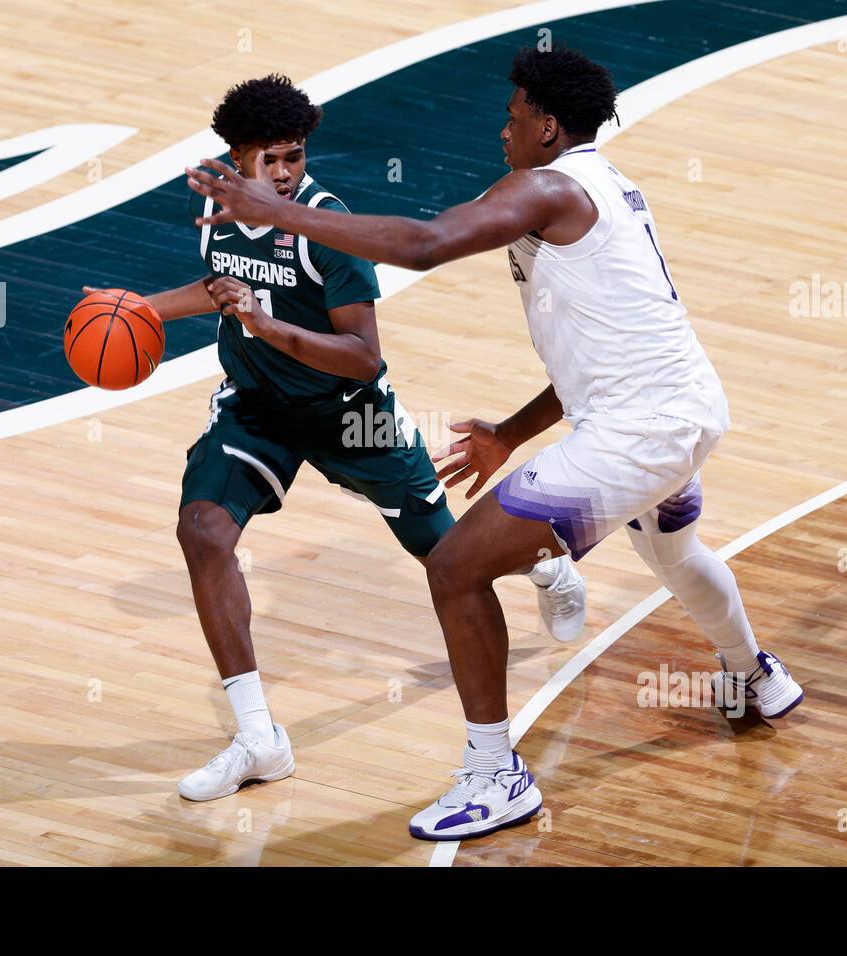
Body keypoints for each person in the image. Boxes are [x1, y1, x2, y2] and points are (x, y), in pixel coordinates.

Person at [186, 49, 804, 841]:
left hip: (639, 430)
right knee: (675, 554)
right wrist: (510, 434)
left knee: (456, 566)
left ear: (547, 128)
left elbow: (423, 244)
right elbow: (606, 352)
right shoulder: (603, 185)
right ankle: (753, 676)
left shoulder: (543, 186)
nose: (501, 128)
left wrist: (281, 214)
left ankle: (495, 775)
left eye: (514, 117)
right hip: (678, 408)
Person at [93, 74, 586, 804]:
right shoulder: (215, 208)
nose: (286, 173)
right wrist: (135, 311)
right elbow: (222, 288)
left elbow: (363, 355)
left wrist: (271, 328)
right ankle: (259, 738)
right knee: (202, 530)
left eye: (295, 157)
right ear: (237, 157)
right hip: (258, 407)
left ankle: (546, 564)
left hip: (351, 415)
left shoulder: (327, 227)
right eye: (272, 160)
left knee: (445, 554)